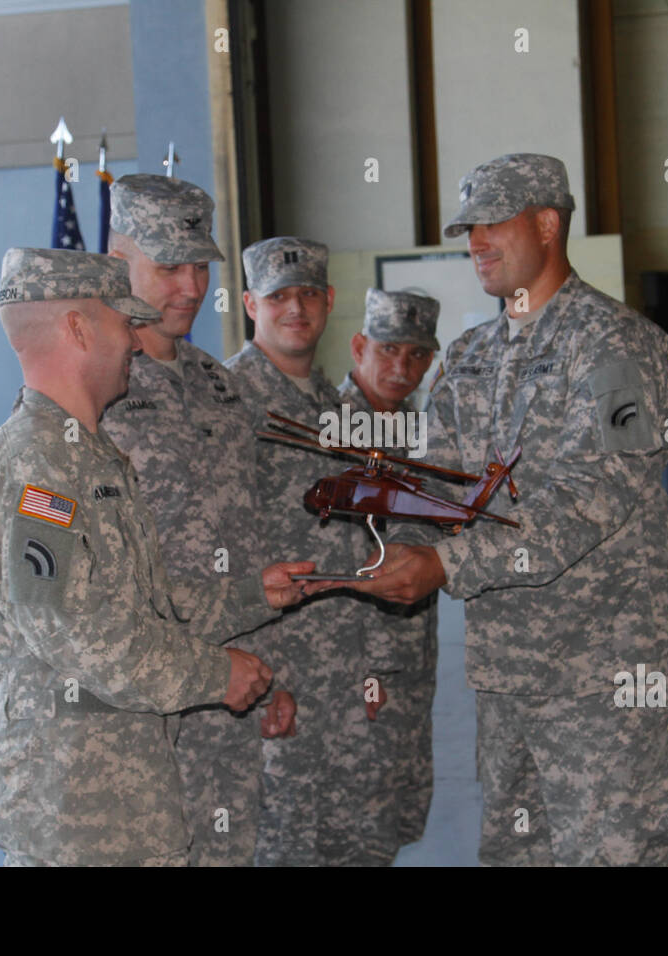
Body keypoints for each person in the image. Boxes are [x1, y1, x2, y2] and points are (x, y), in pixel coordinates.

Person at [351, 154, 668, 866]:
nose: (475, 241)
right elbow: (434, 488)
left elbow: (589, 496)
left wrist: (446, 562)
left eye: (491, 224)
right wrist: (398, 544)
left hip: (609, 682)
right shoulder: (468, 358)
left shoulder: (616, 347)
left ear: (548, 223)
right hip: (509, 678)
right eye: (467, 228)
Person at [0, 247, 318, 866]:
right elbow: (76, 633)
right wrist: (214, 675)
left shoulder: (85, 455)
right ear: (76, 328)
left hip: (128, 805)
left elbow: (139, 604)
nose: (133, 338)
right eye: (122, 321)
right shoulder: (35, 468)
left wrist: (251, 595)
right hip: (78, 817)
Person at [101, 174, 291, 866]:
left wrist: (276, 671)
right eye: (169, 266)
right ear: (119, 264)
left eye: (200, 265)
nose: (190, 285)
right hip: (145, 714)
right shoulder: (92, 391)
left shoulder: (218, 385)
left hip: (232, 695)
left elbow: (250, 537)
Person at [224, 237, 402, 866]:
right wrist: (265, 677)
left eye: (307, 294)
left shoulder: (336, 407)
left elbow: (365, 542)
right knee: (286, 848)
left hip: (351, 676)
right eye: (277, 296)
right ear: (250, 303)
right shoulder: (228, 403)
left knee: (359, 845)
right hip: (282, 682)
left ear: (328, 302)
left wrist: (379, 669)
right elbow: (221, 548)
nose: (294, 308)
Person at [336, 287, 441, 846]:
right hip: (356, 662)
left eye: (418, 354)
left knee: (397, 810)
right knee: (359, 818)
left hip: (413, 653)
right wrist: (367, 673)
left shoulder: (414, 433)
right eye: (389, 350)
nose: (403, 368)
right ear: (359, 347)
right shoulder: (329, 435)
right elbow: (337, 565)